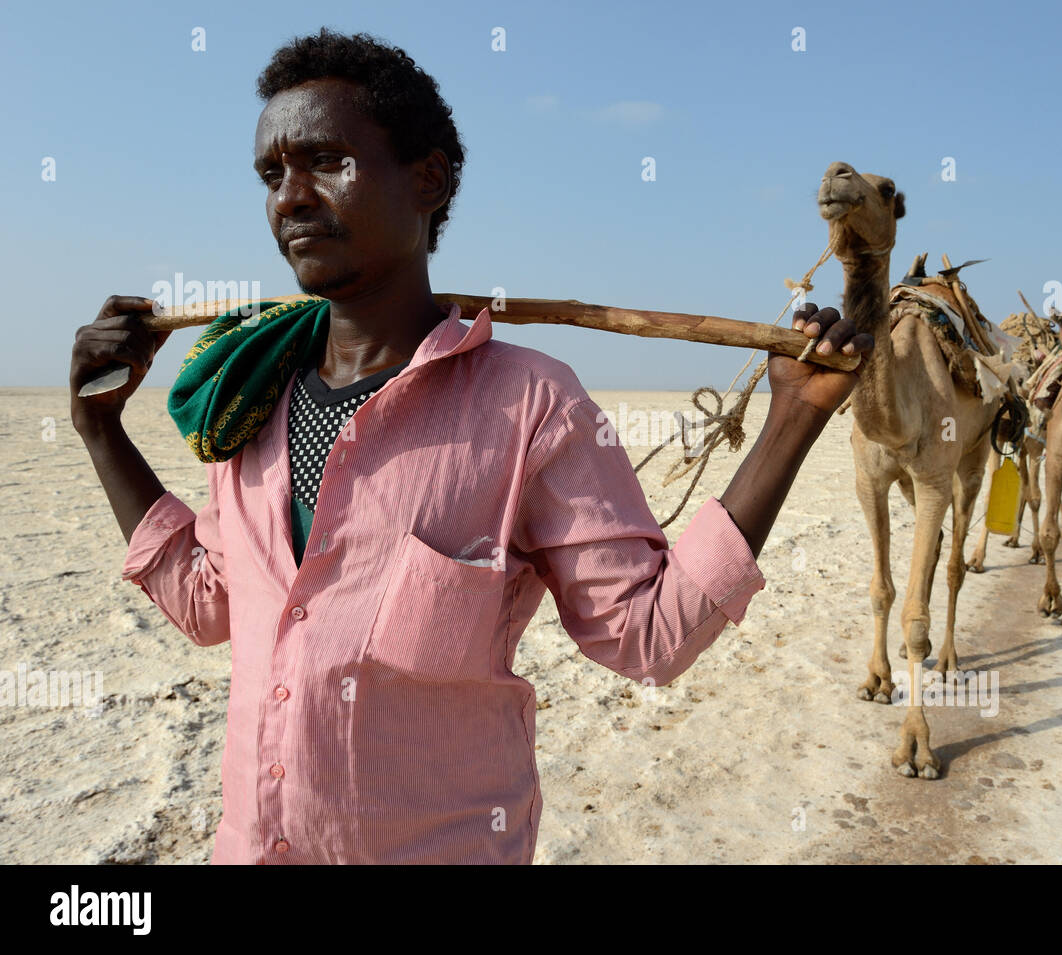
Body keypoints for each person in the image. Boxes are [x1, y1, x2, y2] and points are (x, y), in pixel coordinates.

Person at [68, 29, 873, 864]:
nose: (291, 196)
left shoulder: (530, 404)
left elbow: (647, 635)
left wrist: (792, 420)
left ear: (429, 177)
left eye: (326, 161)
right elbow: (209, 606)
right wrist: (100, 429)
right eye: (273, 174)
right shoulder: (256, 394)